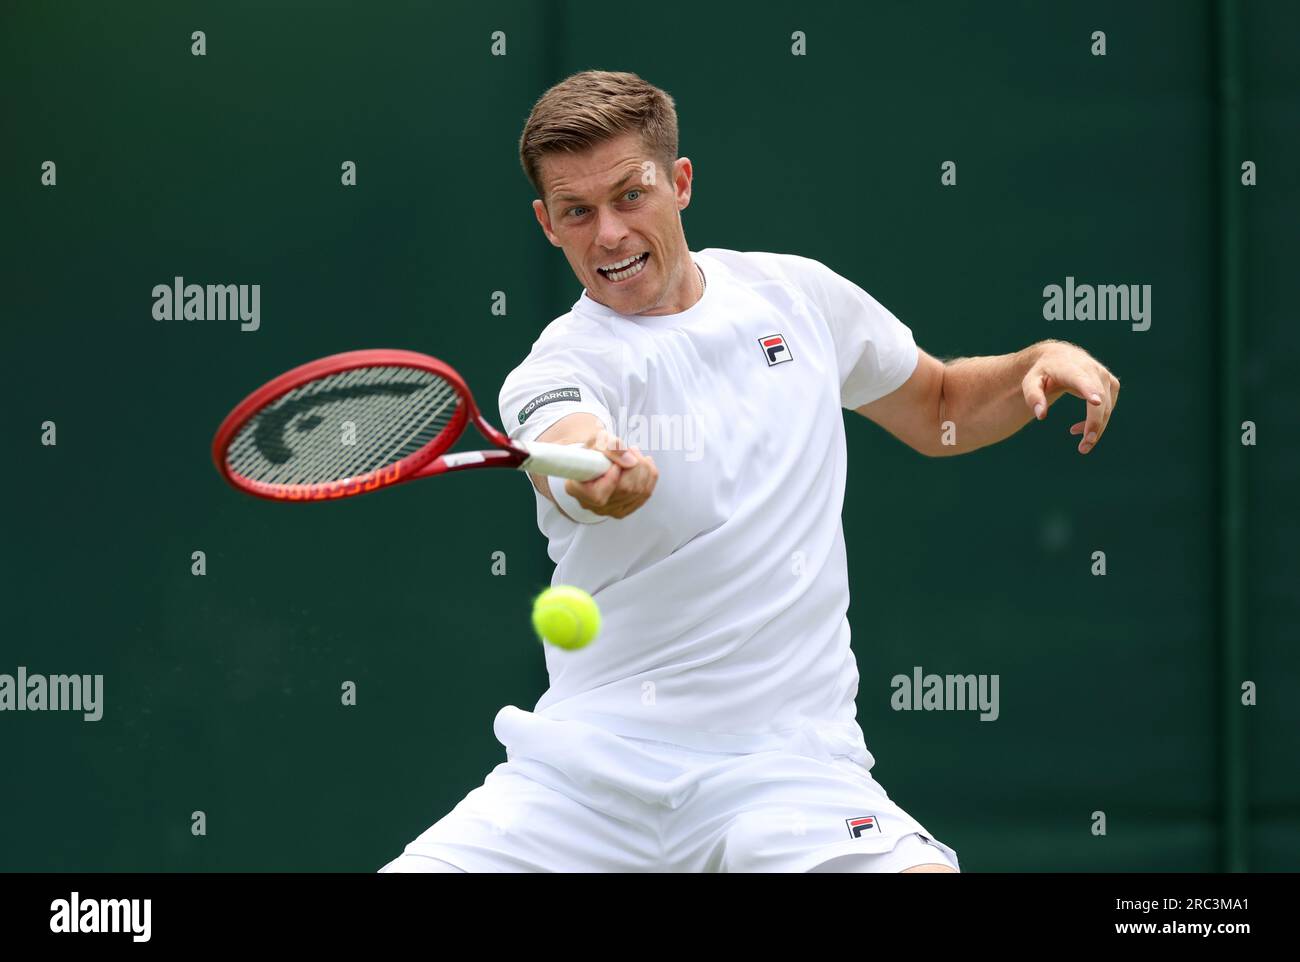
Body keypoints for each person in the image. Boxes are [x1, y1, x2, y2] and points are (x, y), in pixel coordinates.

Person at [380, 70, 1119, 873]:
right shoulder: (553, 369)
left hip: (788, 773)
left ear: (681, 183)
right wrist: (600, 476)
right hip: (584, 781)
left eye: (631, 196)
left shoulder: (796, 298)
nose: (610, 236)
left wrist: (1037, 360)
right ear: (546, 225)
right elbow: (570, 450)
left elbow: (938, 406)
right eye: (577, 213)